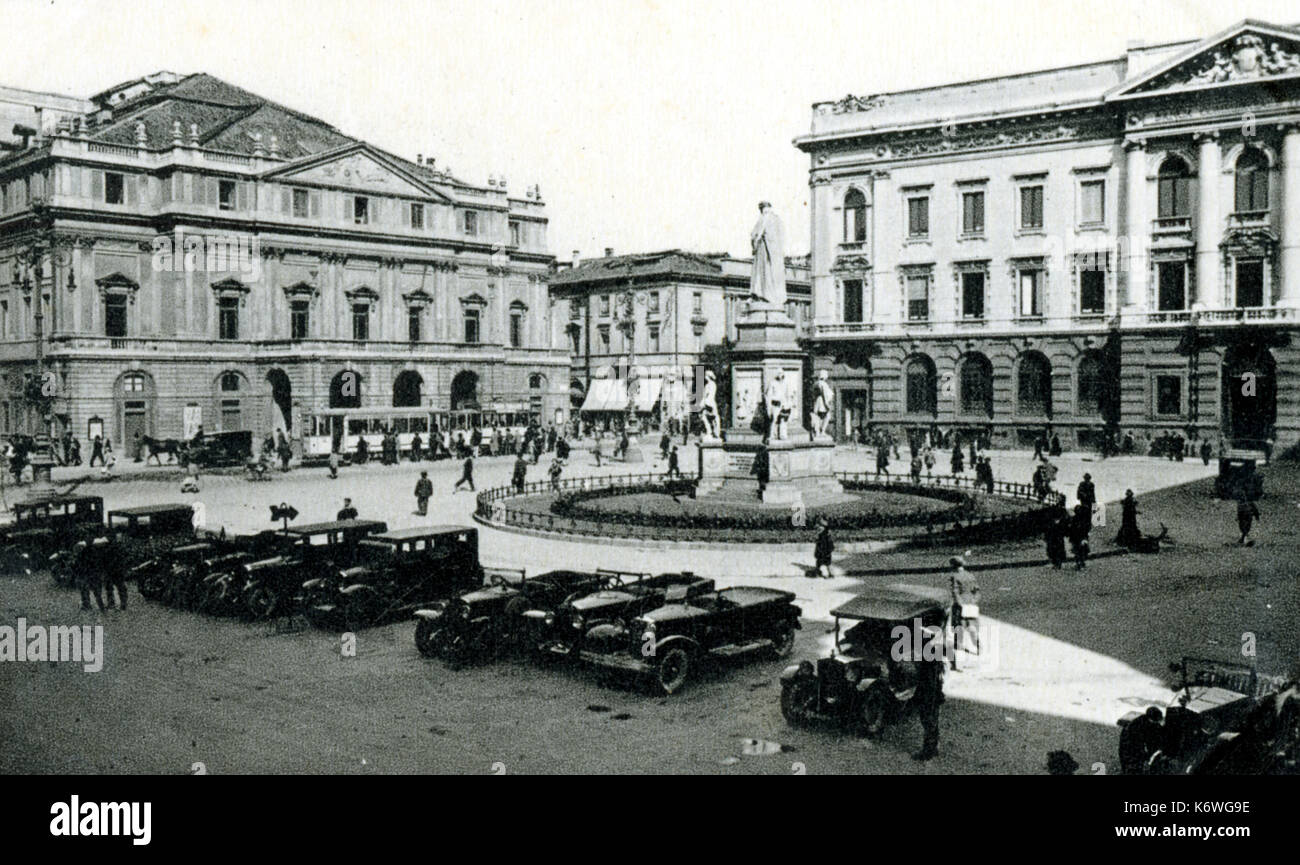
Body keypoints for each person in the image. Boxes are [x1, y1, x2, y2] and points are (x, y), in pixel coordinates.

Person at [912, 628, 945, 762]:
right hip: (932, 689)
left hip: (929, 690)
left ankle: (928, 750)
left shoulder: (929, 658)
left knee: (928, 717)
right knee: (931, 717)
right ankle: (932, 747)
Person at [948, 557, 980, 667]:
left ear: (953, 566)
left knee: (959, 631)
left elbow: (955, 592)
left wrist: (960, 604)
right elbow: (976, 591)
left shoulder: (955, 577)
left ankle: (957, 663)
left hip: (960, 606)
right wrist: (973, 601)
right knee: (972, 627)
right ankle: (978, 646)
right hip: (971, 604)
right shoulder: (970, 575)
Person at [1045, 500, 1069, 569]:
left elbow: (1066, 520)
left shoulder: (1062, 511)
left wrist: (1059, 522)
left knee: (1057, 547)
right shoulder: (1052, 510)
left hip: (1057, 532)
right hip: (1052, 532)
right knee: (1053, 547)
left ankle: (1058, 563)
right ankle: (1055, 562)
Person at [1070, 501, 1092, 569]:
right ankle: (1080, 562)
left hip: (1080, 537)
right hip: (1078, 537)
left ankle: (1080, 562)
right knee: (1079, 550)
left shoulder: (1079, 519)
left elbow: (1087, 527)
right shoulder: (1077, 519)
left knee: (1080, 550)